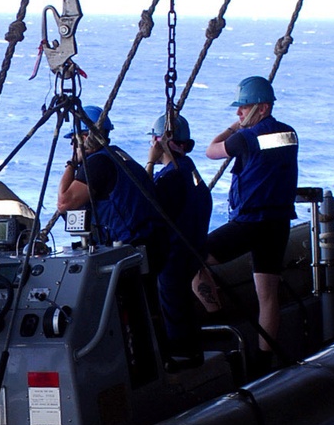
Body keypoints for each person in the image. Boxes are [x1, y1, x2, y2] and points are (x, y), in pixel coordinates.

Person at [204, 75, 299, 367]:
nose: (238, 113)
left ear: (263, 108)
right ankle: (264, 361)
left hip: (249, 223)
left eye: (244, 108)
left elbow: (211, 150)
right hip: (277, 223)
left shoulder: (245, 137)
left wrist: (236, 127)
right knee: (267, 296)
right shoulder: (289, 134)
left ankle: (216, 319)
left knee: (193, 256)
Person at [56, 104, 167, 265]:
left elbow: (64, 203)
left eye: (74, 141)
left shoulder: (97, 164)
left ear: (85, 138)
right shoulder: (119, 156)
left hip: (129, 251)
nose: (73, 146)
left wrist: (72, 163)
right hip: (150, 245)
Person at [146, 112, 212, 368]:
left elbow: (148, 204)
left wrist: (150, 164)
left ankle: (183, 357)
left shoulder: (171, 177)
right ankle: (191, 352)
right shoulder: (189, 171)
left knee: (174, 306)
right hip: (191, 249)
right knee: (182, 304)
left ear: (160, 141)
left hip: (174, 255)